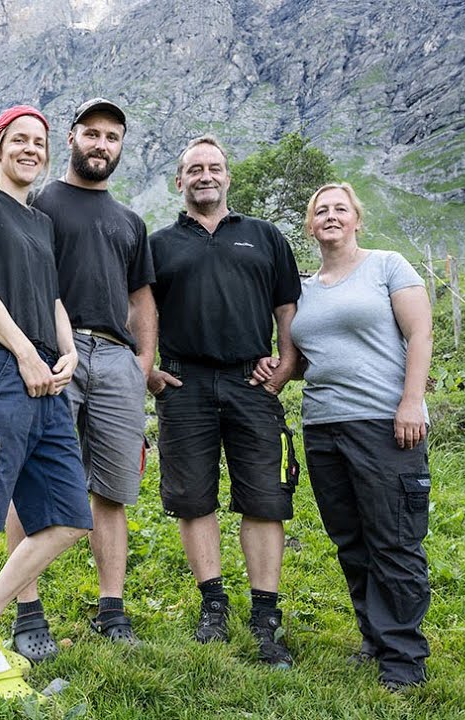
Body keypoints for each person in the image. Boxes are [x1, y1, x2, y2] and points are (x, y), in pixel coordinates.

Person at [0, 104, 93, 702]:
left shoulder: (41, 222)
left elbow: (51, 296)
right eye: (20, 139)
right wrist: (25, 353)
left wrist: (66, 353)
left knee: (68, 519)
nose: (31, 149)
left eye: (40, 141)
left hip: (47, 380)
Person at [0, 97, 157, 660]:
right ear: (70, 138)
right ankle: (26, 607)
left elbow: (142, 299)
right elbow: (5, 275)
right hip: (49, 357)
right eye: (91, 133)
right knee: (29, 480)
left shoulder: (129, 222)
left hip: (117, 362)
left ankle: (111, 608)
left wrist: (142, 364)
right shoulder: (38, 203)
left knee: (112, 491)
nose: (100, 144)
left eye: (111, 137)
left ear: (120, 148)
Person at [145, 135, 303, 667]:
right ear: (180, 181)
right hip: (184, 384)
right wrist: (148, 366)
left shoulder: (265, 237)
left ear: (228, 176)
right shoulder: (160, 243)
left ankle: (266, 617)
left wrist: (287, 361)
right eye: (194, 169)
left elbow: (287, 308)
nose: (204, 176)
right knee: (193, 497)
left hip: (251, 382)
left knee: (264, 496)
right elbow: (140, 308)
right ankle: (213, 605)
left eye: (214, 167)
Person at [286, 182, 434, 690]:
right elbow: (307, 360)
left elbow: (419, 334)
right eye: (320, 210)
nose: (330, 216)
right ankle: (375, 638)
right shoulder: (303, 290)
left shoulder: (387, 265)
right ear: (310, 226)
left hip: (384, 421)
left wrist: (411, 401)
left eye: (339, 209)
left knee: (393, 538)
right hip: (323, 427)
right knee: (350, 539)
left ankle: (404, 658)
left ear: (356, 220)